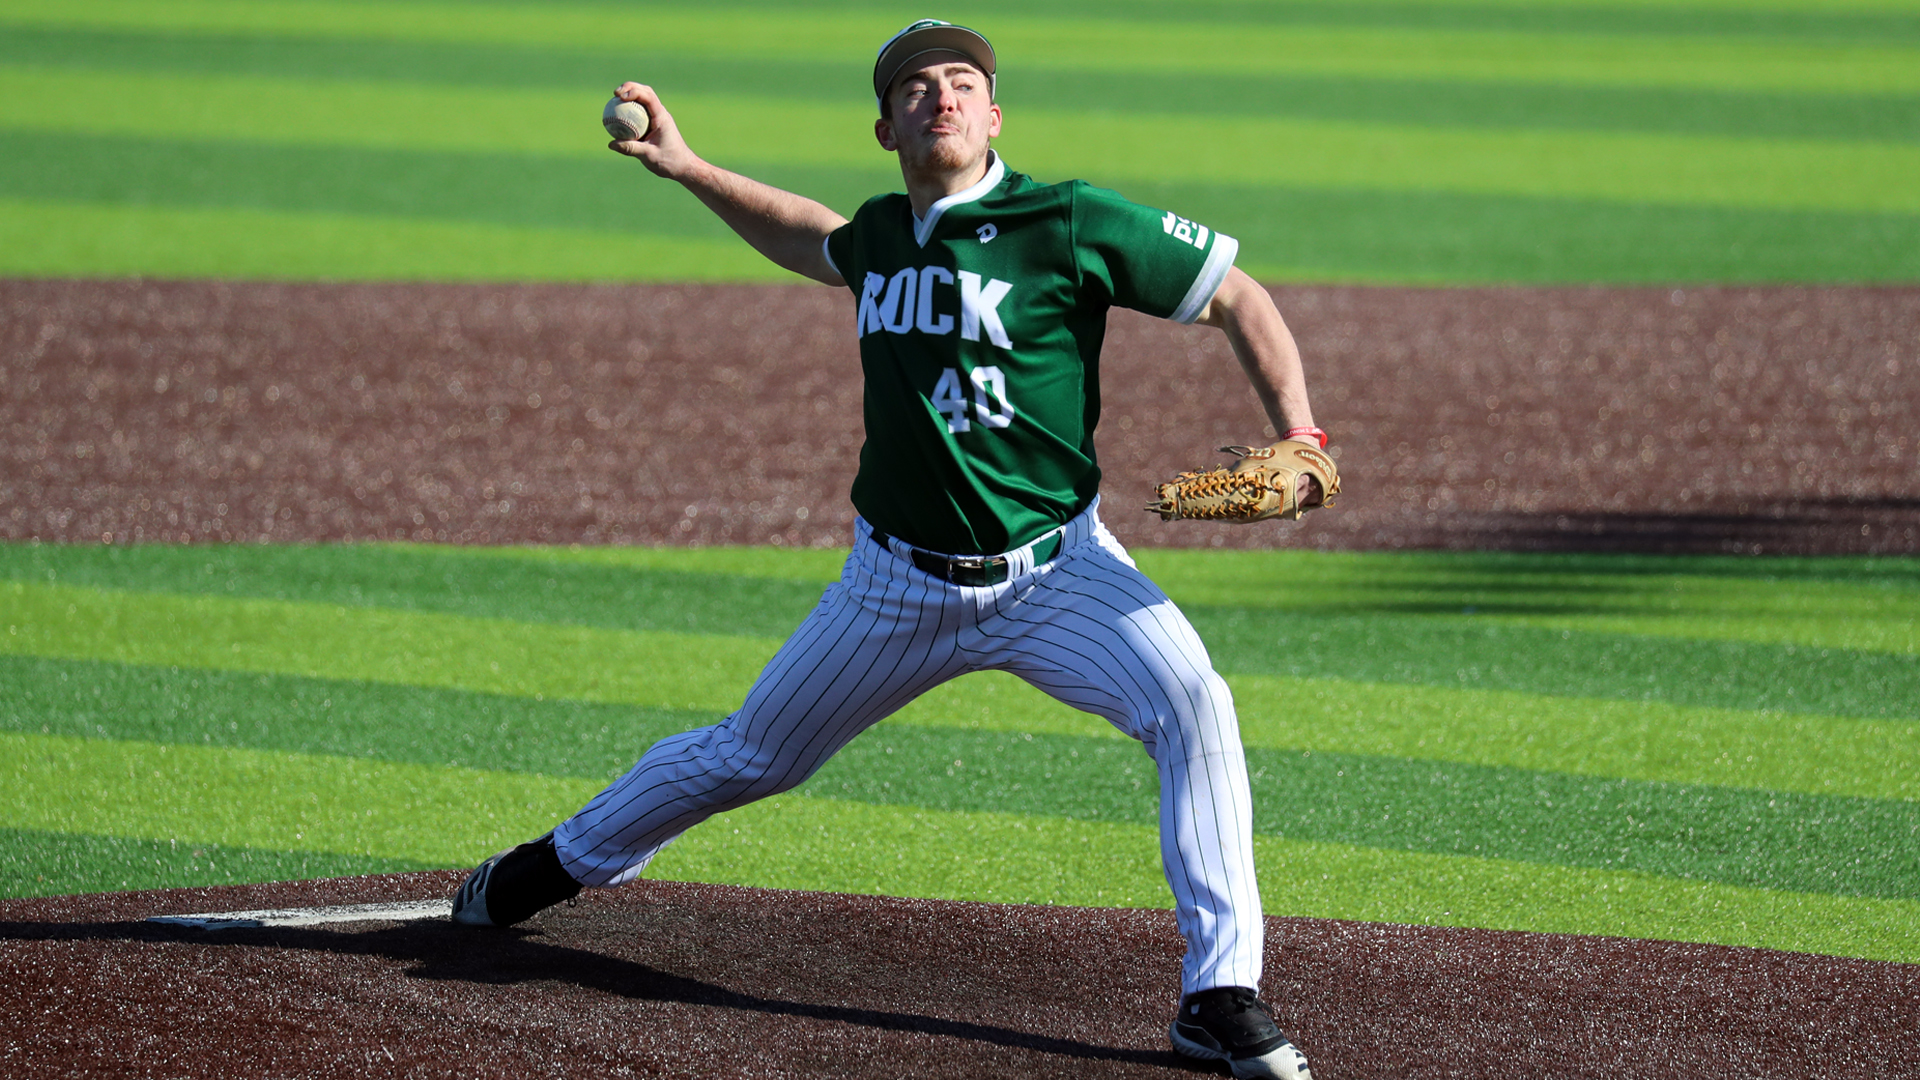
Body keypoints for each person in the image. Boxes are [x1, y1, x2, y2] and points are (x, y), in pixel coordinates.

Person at [451, 20, 1324, 1080]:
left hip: (1060, 574)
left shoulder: (1067, 220)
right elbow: (807, 235)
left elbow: (1238, 294)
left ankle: (1219, 994)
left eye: (963, 83)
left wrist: (1303, 435)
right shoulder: (880, 236)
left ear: (996, 114)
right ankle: (551, 865)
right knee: (750, 756)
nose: (942, 99)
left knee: (1194, 705)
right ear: (886, 125)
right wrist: (686, 168)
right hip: (894, 589)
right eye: (917, 88)